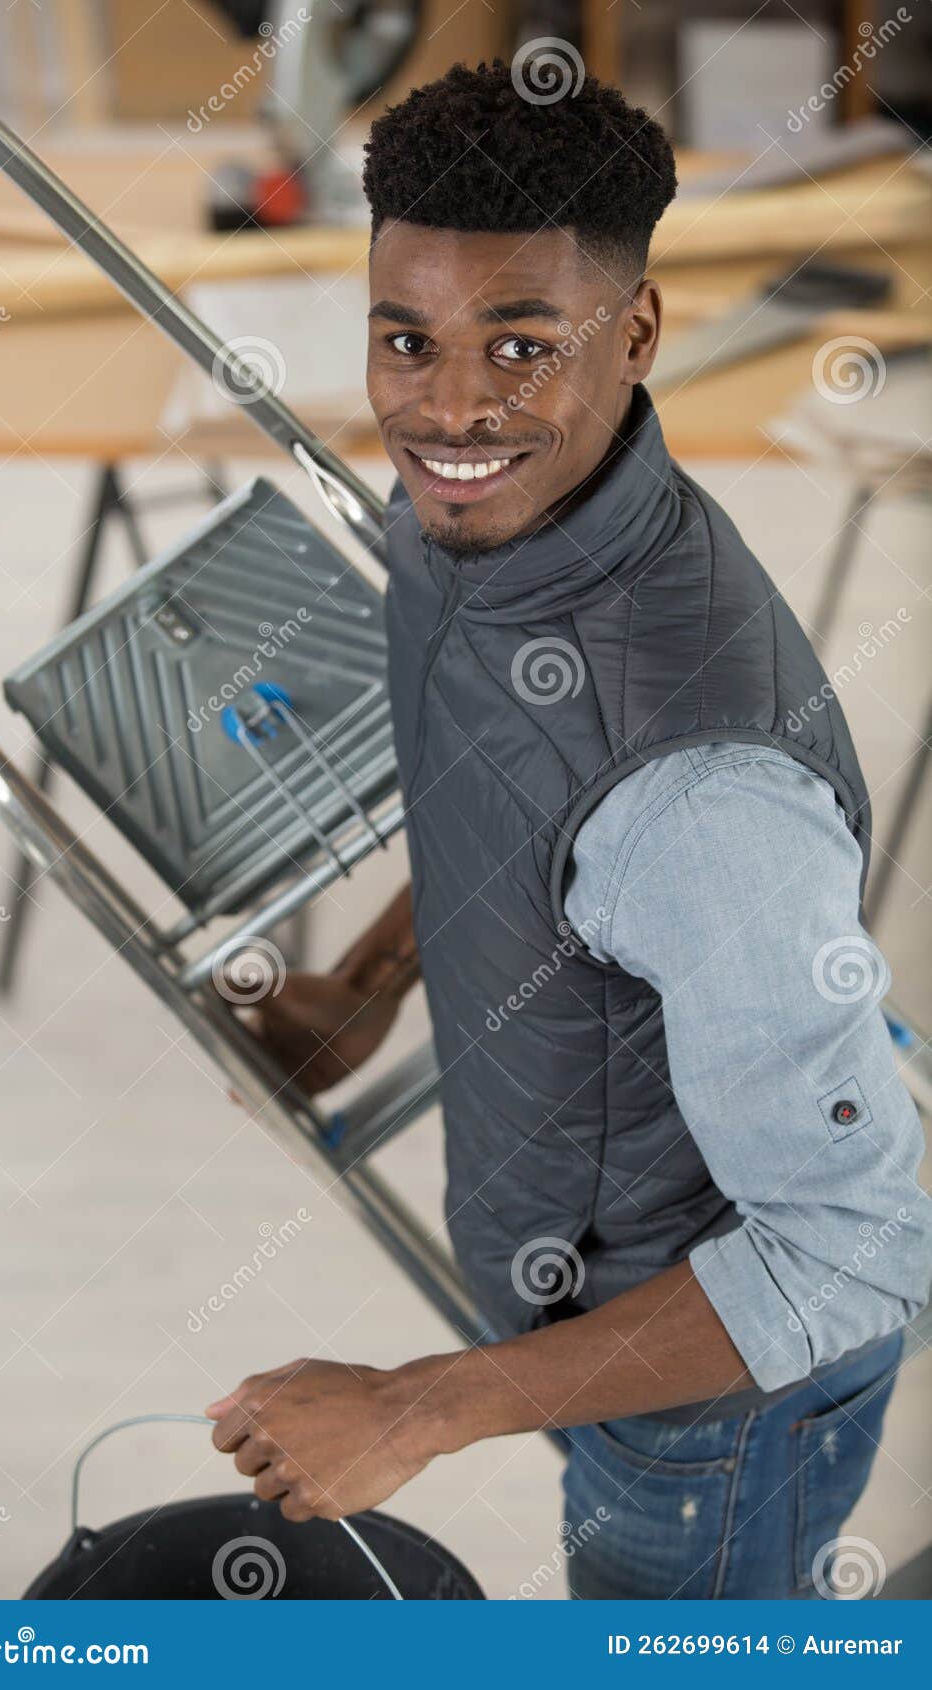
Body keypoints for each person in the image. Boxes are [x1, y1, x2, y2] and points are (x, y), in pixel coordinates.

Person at [206, 59, 932, 1599]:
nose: (450, 407)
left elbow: (858, 1248)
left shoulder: (707, 796)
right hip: (590, 1318)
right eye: (408, 340)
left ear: (640, 329)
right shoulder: (472, 512)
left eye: (522, 346)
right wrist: (379, 977)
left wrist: (417, 1407)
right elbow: (516, 780)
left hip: (713, 1420)